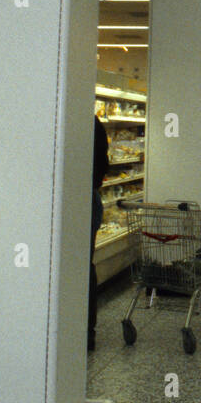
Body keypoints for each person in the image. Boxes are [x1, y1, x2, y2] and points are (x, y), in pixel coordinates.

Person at [89, 114, 108, 351]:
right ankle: (86, 332)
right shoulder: (94, 123)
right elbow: (104, 163)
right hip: (90, 196)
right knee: (84, 266)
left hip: (80, 198)